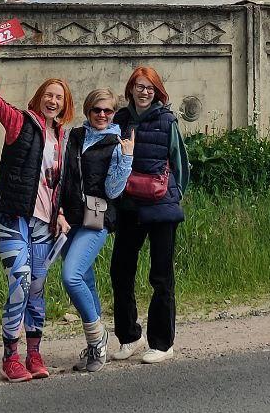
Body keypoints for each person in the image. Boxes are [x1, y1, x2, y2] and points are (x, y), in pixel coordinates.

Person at [0, 36, 73, 382]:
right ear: (39, 98)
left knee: (36, 287)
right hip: (14, 217)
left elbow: (58, 182)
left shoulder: (62, 137)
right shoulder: (20, 123)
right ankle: (9, 357)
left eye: (59, 98)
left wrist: (60, 213)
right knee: (19, 280)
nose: (53, 100)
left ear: (65, 106)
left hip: (44, 225)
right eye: (49, 94)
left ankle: (34, 354)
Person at [110, 66, 190, 365]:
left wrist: (173, 194)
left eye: (150, 88)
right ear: (130, 89)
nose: (144, 92)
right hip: (130, 205)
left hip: (161, 208)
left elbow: (181, 164)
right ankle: (130, 336)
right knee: (120, 271)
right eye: (139, 86)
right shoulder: (121, 119)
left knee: (160, 276)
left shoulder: (166, 120)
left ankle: (162, 342)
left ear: (157, 92)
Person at [57, 89, 134, 374]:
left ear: (114, 113)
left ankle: (97, 336)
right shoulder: (74, 136)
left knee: (71, 275)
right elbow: (62, 176)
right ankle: (95, 346)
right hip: (68, 219)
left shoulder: (117, 143)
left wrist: (126, 159)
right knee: (86, 279)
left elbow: (114, 191)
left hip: (97, 218)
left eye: (108, 111)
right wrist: (59, 212)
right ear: (88, 111)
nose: (102, 115)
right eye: (96, 110)